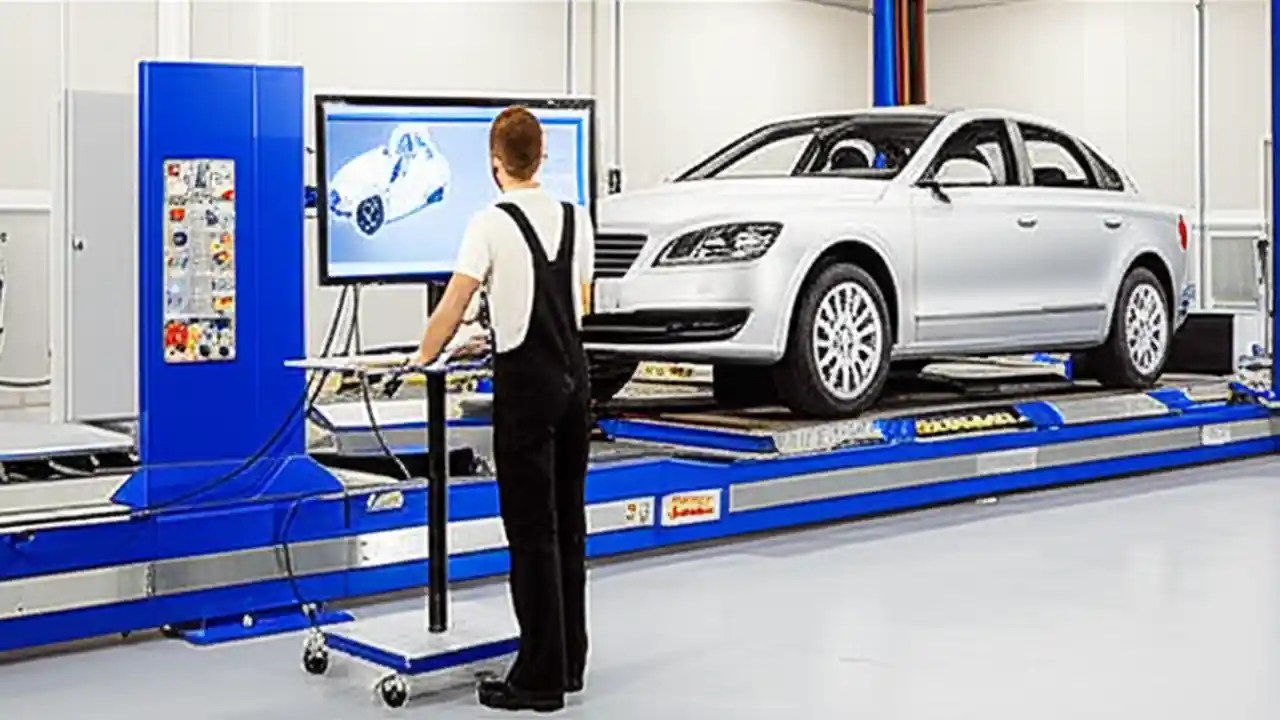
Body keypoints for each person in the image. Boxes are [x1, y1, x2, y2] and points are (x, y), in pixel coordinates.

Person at [414, 106, 595, 713]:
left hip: (527, 388)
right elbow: (582, 304)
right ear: (542, 158)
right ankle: (569, 662)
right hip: (576, 383)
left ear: (495, 163)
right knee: (569, 524)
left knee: (531, 534)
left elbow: (454, 303)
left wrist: (422, 357)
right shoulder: (578, 217)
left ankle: (537, 681)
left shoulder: (488, 222)